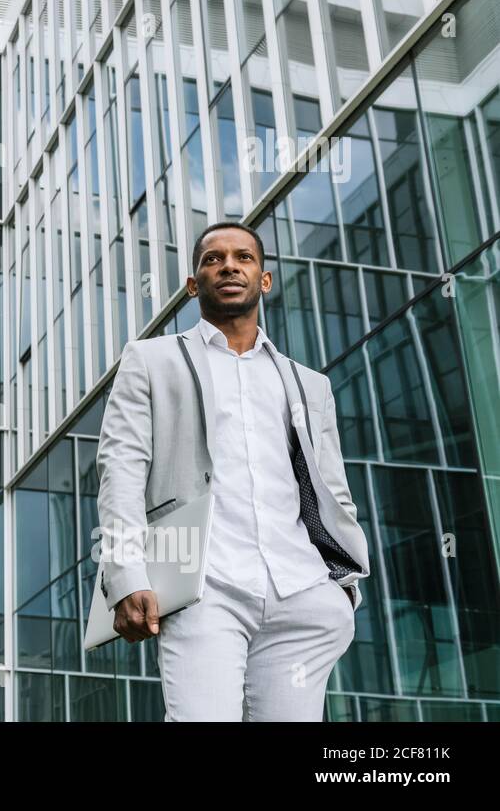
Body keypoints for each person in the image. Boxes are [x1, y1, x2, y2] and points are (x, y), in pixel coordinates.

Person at [95, 221, 370, 721]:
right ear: (193, 284)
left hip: (302, 594)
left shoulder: (308, 384)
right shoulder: (151, 360)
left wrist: (342, 586)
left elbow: (333, 490)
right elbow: (121, 471)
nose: (228, 265)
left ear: (264, 280)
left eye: (243, 257)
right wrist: (127, 573)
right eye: (212, 259)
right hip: (205, 588)